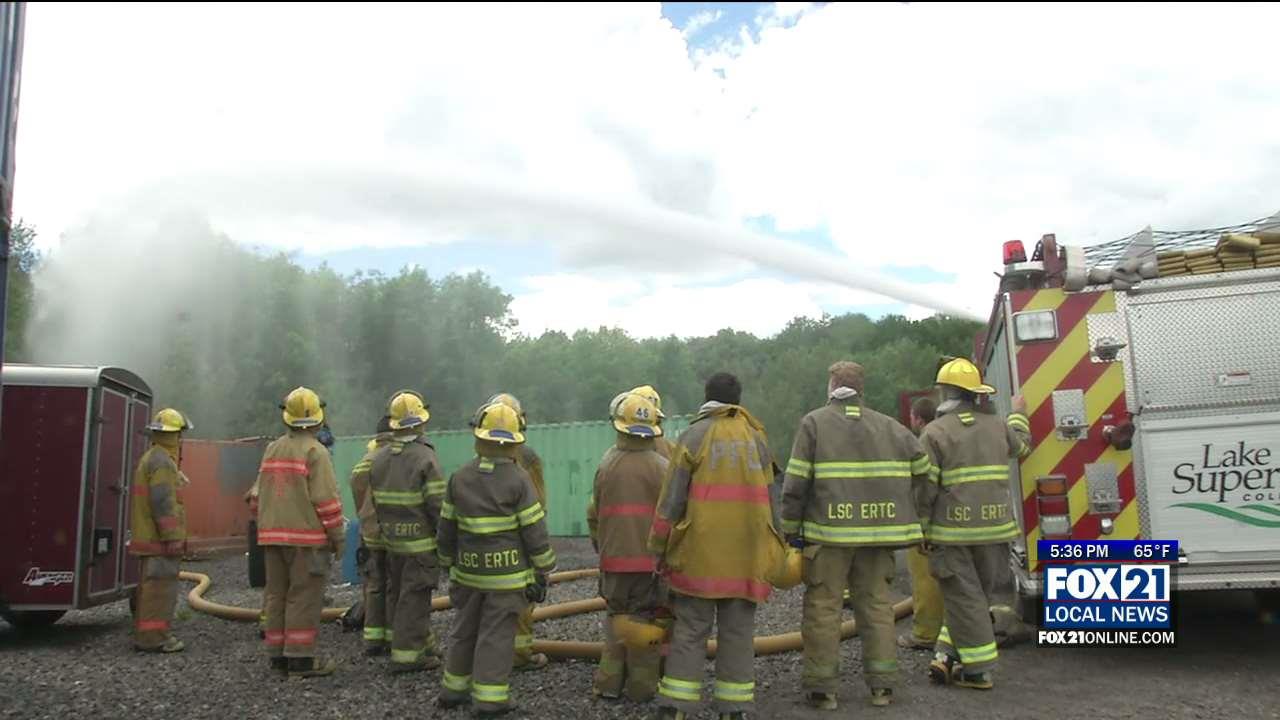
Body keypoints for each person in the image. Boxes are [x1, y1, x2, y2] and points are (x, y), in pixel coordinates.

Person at [781, 361, 931, 710]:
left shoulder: (814, 423)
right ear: (861, 390)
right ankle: (883, 687)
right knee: (878, 607)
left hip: (829, 537)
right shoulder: (891, 427)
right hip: (879, 538)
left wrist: (791, 529)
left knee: (824, 608)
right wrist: (913, 511)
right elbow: (924, 469)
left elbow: (796, 483)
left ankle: (823, 690)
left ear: (831, 385)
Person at [649, 372, 783, 720]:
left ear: (707, 397)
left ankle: (676, 707)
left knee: (691, 629)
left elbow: (672, 500)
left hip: (699, 555)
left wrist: (658, 547)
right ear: (737, 400)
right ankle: (734, 708)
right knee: (738, 633)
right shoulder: (757, 438)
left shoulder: (694, 435)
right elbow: (772, 499)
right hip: (748, 555)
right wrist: (778, 546)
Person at [436, 401, 557, 717]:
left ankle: (453, 689)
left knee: (464, 628)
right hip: (507, 579)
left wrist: (446, 561)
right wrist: (544, 566)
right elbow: (534, 529)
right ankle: (490, 699)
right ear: (517, 441)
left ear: (478, 436)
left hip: (467, 574)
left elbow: (446, 526)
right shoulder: (519, 480)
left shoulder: (460, 477)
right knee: (496, 635)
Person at [919, 359, 1030, 691]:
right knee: (971, 597)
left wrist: (921, 528)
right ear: (975, 393)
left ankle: (978, 671)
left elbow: (924, 487)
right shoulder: (998, 425)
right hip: (995, 530)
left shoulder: (934, 432)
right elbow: (1023, 447)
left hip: (952, 533)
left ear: (944, 393)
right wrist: (1018, 413)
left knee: (963, 596)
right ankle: (945, 654)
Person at [255, 386, 346, 678]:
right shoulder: (316, 451)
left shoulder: (272, 449)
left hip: (271, 537)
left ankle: (277, 656)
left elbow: (259, 495)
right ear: (319, 419)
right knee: (303, 596)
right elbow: (326, 500)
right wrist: (337, 537)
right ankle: (301, 659)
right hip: (306, 540)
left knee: (276, 595)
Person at [587, 392, 669, 702]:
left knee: (615, 620)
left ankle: (607, 684)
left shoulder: (606, 464)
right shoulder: (662, 468)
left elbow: (595, 512)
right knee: (644, 623)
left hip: (613, 560)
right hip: (649, 564)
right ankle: (642, 688)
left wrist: (602, 549)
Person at [366, 391, 445, 673]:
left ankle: (421, 643)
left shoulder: (379, 458)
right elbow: (438, 506)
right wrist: (446, 541)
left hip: (392, 543)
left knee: (398, 594)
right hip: (420, 546)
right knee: (415, 599)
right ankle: (408, 657)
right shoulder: (425, 458)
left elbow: (375, 501)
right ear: (419, 423)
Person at [487, 392, 550, 671]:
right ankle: (520, 656)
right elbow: (537, 503)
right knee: (524, 596)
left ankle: (490, 652)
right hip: (519, 542)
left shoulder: (477, 463)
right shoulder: (528, 458)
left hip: (485, 544)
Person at [128, 408, 193, 653]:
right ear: (175, 435)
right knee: (160, 592)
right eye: (180, 435)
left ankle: (146, 635)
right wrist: (172, 536)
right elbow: (162, 502)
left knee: (150, 589)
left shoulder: (152, 457)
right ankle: (154, 639)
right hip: (159, 541)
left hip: (149, 538)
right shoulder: (163, 462)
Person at [900, 395, 945, 651]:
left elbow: (923, 486)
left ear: (917, 419)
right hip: (953, 520)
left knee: (925, 579)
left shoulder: (926, 440)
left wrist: (921, 526)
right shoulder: (946, 435)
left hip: (927, 522)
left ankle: (926, 634)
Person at [350, 415, 394, 656]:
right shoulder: (394, 459)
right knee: (393, 585)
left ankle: (373, 638)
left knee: (374, 584)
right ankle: (393, 636)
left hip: (368, 531)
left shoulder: (364, 462)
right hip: (391, 530)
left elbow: (358, 497)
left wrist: (366, 517)